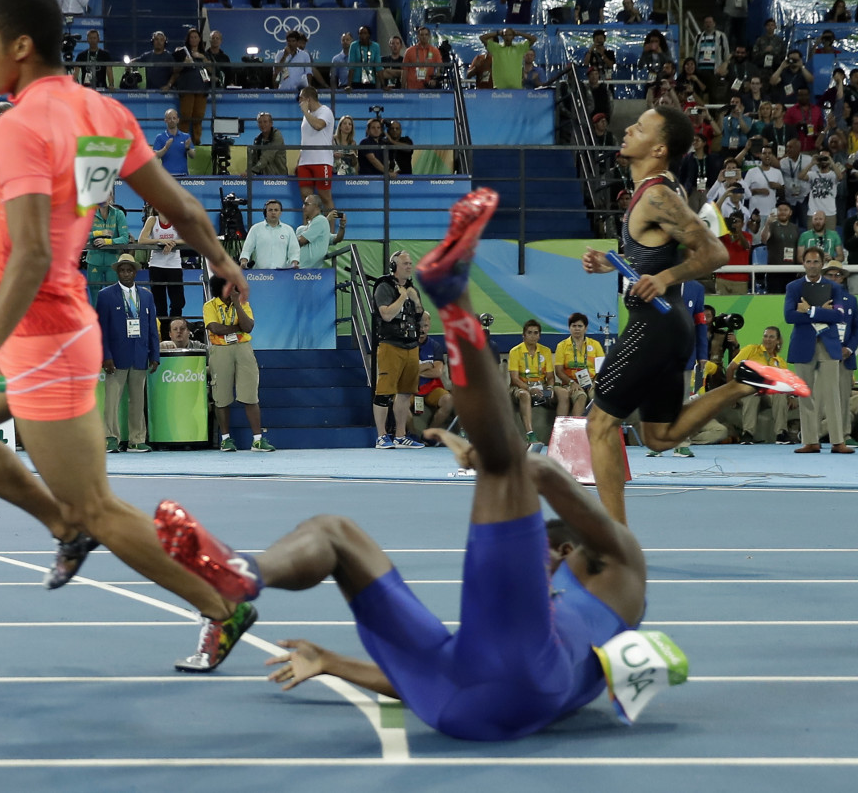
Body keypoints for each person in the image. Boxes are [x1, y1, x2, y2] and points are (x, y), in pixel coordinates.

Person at [154, 190, 652, 741]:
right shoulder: (615, 581)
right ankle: (246, 572)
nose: (536, 574)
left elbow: (541, 474)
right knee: (337, 533)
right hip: (461, 693)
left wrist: (489, 461)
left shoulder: (595, 585)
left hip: (493, 690)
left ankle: (452, 299)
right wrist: (333, 663)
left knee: (504, 465)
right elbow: (436, 672)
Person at [0, 0, 257, 673]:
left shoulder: (17, 127)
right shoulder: (102, 113)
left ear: (21, 45)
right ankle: (59, 524)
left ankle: (223, 606)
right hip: (49, 330)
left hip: (44, 332)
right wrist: (222, 261)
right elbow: (183, 208)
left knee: (98, 505)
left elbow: (35, 253)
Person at [582, 106, 810, 523]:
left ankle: (614, 544)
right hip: (670, 327)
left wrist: (666, 276)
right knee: (659, 435)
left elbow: (716, 252)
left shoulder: (657, 195)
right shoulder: (658, 188)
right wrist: (613, 263)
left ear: (659, 148)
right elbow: (651, 253)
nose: (628, 128)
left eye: (640, 126)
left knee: (598, 424)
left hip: (654, 326)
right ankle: (742, 384)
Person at [784, 246, 853, 453]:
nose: (812, 266)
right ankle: (811, 440)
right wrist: (823, 311)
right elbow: (789, 316)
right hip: (803, 344)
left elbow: (839, 315)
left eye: (816, 262)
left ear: (822, 264)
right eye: (809, 262)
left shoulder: (834, 287)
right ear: (803, 264)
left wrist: (811, 310)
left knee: (833, 393)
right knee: (805, 394)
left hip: (828, 344)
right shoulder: (793, 287)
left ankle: (837, 441)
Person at [203, 274, 276, 452]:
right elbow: (215, 328)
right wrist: (237, 328)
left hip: (243, 348)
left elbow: (249, 327)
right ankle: (226, 439)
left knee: (250, 394)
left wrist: (236, 303)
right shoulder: (210, 306)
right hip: (220, 350)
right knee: (221, 396)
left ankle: (257, 440)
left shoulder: (243, 303)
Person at [97, 254, 159, 454]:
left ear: (135, 271)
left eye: (129, 270)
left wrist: (155, 355)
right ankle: (111, 438)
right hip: (115, 357)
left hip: (139, 355)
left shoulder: (146, 295)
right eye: (122, 270)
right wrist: (105, 355)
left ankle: (136, 439)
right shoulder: (105, 295)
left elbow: (152, 328)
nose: (125, 273)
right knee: (112, 401)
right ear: (117, 272)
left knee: (137, 401)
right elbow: (101, 329)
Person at [372, 250, 426, 449]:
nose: (409, 266)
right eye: (405, 263)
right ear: (394, 266)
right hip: (390, 344)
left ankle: (401, 435)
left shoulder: (412, 289)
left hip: (411, 345)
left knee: (405, 392)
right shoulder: (384, 286)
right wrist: (403, 298)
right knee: (385, 392)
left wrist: (416, 300)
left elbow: (419, 314)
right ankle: (381, 435)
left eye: (410, 263)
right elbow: (386, 315)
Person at [726, 326, 792, 444]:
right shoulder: (751, 350)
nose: (767, 339)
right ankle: (747, 433)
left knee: (780, 393)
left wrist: (791, 397)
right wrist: (731, 394)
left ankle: (781, 434)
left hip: (768, 393)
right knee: (752, 392)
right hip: (749, 390)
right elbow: (730, 369)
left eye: (771, 337)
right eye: (765, 336)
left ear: (778, 341)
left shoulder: (780, 361)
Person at [821, 262, 858, 446]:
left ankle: (844, 435)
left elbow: (857, 328)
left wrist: (849, 349)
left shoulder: (851, 300)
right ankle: (816, 433)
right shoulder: (817, 299)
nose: (834, 278)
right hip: (823, 355)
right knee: (821, 398)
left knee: (844, 397)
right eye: (830, 275)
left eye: (837, 275)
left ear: (843, 277)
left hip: (845, 357)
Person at [507, 318, 555, 444]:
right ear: (523, 335)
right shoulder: (515, 351)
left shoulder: (546, 351)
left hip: (541, 386)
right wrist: (529, 388)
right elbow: (514, 378)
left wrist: (549, 388)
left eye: (536, 333)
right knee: (525, 395)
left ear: (539, 335)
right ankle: (530, 434)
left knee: (562, 393)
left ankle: (558, 434)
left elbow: (550, 376)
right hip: (520, 388)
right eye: (529, 333)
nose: (533, 336)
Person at [138, 202, 185, 319]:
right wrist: (160, 241)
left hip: (174, 266)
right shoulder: (152, 220)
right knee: (160, 305)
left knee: (178, 303)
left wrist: (172, 243)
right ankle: (163, 335)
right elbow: (141, 240)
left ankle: (174, 331)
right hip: (156, 265)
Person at [555, 312, 603, 417]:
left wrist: (595, 383)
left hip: (592, 383)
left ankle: (597, 430)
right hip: (571, 384)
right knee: (581, 396)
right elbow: (558, 371)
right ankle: (575, 430)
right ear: (569, 328)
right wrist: (572, 383)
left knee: (598, 398)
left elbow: (601, 369)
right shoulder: (562, 346)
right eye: (574, 326)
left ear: (585, 328)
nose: (577, 329)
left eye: (580, 326)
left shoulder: (595, 345)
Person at [296, 86, 336, 211]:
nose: (299, 102)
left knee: (325, 198)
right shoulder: (307, 115)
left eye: (301, 99)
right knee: (307, 199)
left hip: (321, 161)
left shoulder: (325, 111)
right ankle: (310, 229)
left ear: (308, 99)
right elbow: (306, 138)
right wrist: (299, 160)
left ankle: (330, 231)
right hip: (305, 162)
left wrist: (306, 113)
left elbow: (318, 125)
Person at [86, 193, 130, 303]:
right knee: (95, 297)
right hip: (94, 260)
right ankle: (96, 319)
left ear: (111, 197)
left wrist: (107, 241)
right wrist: (99, 233)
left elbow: (125, 239)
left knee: (113, 296)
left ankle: (112, 319)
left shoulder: (118, 214)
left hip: (113, 261)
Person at [415, 311, 454, 433]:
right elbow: (404, 371)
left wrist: (416, 371)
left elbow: (437, 373)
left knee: (448, 400)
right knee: (399, 404)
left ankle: (429, 434)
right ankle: (411, 435)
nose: (422, 329)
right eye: (419, 326)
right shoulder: (406, 345)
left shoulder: (435, 346)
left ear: (429, 326)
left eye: (425, 326)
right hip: (409, 387)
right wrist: (428, 365)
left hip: (431, 387)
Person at [239, 198, 299, 268]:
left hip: (282, 274)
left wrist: (294, 263)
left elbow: (294, 251)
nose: (273, 212)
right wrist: (243, 262)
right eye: (270, 210)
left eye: (276, 210)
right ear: (265, 212)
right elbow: (247, 249)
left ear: (280, 212)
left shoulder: (288, 230)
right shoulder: (255, 229)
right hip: (260, 275)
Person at [758, 202, 802, 294]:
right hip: (774, 270)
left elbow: (798, 247)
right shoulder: (772, 226)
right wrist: (767, 224)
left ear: (790, 212)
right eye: (780, 210)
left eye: (785, 210)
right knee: (774, 300)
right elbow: (764, 239)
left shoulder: (795, 228)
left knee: (791, 299)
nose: (782, 212)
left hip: (791, 271)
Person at [295, 194, 344, 269]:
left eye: (306, 204)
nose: (303, 207)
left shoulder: (321, 220)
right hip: (296, 269)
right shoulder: (300, 229)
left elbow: (337, 239)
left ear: (316, 206)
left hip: (311, 273)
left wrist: (342, 226)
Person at [152, 108, 192, 177]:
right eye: (169, 118)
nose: (172, 120)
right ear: (165, 120)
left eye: (174, 118)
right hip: (166, 177)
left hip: (183, 176)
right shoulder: (160, 137)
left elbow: (193, 155)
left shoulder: (186, 136)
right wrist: (165, 148)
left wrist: (188, 148)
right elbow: (155, 156)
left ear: (178, 120)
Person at [403, 26, 441, 90]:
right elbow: (404, 70)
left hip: (427, 87)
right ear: (418, 36)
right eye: (421, 35)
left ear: (429, 36)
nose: (424, 37)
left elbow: (439, 67)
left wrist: (435, 80)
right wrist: (402, 87)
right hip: (412, 87)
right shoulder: (409, 51)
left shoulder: (434, 51)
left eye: (426, 35)